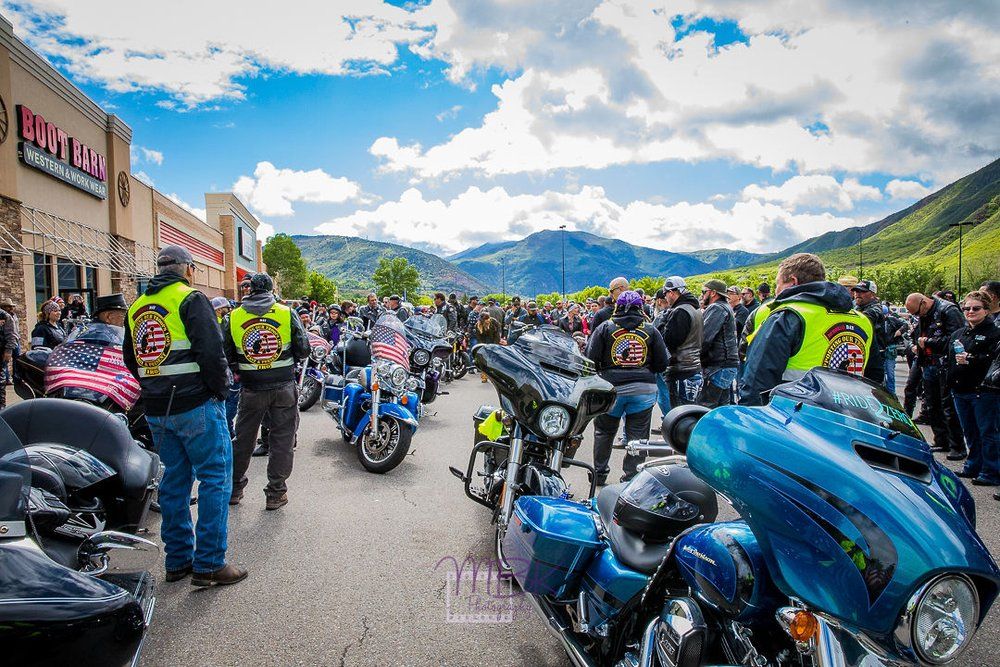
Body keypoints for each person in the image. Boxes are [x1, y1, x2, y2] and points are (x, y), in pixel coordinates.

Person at [123, 245, 245, 587]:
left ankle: (178, 561)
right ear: (188, 269)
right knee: (215, 479)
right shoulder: (191, 298)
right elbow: (212, 353)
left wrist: (156, 388)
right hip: (195, 404)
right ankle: (209, 564)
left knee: (173, 483)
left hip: (157, 408)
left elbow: (132, 359)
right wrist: (220, 392)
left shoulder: (138, 306)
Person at [739, 253, 873, 406]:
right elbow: (874, 378)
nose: (776, 291)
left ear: (793, 282)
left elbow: (757, 381)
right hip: (847, 415)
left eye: (778, 284)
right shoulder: (862, 321)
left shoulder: (788, 315)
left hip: (794, 417)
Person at [226, 273, 310, 511]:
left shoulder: (234, 316)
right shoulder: (285, 312)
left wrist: (244, 368)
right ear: (272, 290)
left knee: (243, 438)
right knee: (282, 440)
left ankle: (235, 489)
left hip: (251, 388)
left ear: (250, 290)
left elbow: (227, 354)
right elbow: (304, 349)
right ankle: (276, 492)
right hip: (283, 386)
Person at [586, 290, 668, 485]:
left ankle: (599, 473)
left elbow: (590, 358)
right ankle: (632, 477)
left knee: (604, 432)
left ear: (617, 306)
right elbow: (662, 363)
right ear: (641, 307)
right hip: (643, 391)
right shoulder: (650, 330)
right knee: (638, 436)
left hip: (611, 390)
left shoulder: (605, 328)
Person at [947, 291, 1000, 486]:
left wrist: (972, 358)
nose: (970, 311)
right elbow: (949, 360)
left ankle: (991, 471)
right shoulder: (959, 333)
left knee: (988, 433)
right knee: (969, 432)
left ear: (986, 310)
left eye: (976, 308)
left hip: (984, 391)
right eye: (967, 308)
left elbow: (995, 362)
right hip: (960, 390)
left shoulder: (995, 334)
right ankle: (973, 465)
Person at [906, 291, 966, 459]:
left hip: (945, 364)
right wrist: (915, 346)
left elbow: (957, 338)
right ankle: (941, 440)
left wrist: (928, 342)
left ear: (924, 303)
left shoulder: (948, 310)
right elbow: (916, 336)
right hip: (928, 363)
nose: (917, 316)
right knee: (933, 404)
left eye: (917, 313)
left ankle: (957, 446)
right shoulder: (923, 315)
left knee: (948, 406)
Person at [655, 278, 703, 407]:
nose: (665, 297)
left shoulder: (681, 311)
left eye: (665, 294)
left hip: (681, 370)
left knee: (680, 415)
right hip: (694, 367)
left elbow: (670, 340)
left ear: (671, 292)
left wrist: (661, 325)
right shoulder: (695, 309)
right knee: (691, 411)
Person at [699, 280, 739, 407]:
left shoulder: (716, 308)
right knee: (722, 407)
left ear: (713, 293)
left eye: (704, 292)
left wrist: (696, 358)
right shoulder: (726, 307)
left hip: (718, 365)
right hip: (726, 364)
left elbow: (704, 338)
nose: (702, 296)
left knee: (704, 407)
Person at [850, 280, 887, 385]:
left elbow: (862, 319)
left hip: (873, 360)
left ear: (872, 294)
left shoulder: (876, 309)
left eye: (862, 291)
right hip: (858, 356)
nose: (858, 294)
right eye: (856, 291)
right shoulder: (856, 308)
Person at [475, 311, 502, 382]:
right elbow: (479, 338)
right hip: (484, 341)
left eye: (488, 318)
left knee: (494, 359)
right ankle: (484, 376)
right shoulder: (478, 325)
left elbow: (497, 335)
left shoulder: (494, 322)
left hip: (493, 340)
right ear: (482, 320)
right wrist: (482, 346)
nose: (488, 320)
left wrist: (495, 345)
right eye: (486, 319)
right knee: (484, 359)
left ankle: (496, 376)